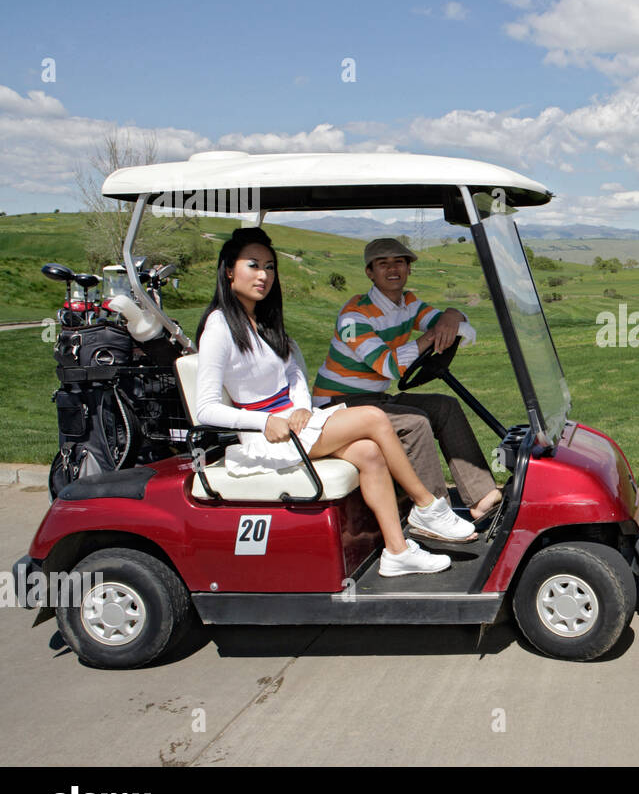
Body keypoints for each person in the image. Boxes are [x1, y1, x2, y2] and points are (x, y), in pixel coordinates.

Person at [194, 227, 466, 577]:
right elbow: (205, 409)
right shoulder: (219, 326)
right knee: (373, 418)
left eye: (270, 267)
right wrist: (264, 422)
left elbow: (293, 373)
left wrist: (303, 406)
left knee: (369, 451)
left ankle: (397, 552)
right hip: (267, 436)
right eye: (253, 265)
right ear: (229, 270)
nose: (263, 275)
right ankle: (428, 505)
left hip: (294, 422)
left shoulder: (263, 319)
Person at [311, 238, 502, 523]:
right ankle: (433, 511)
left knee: (445, 407)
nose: (392, 269)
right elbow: (387, 366)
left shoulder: (407, 303)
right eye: (383, 264)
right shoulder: (354, 317)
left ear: (408, 268)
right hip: (337, 407)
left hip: (373, 399)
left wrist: (452, 315)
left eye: (399, 262)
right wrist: (429, 337)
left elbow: (451, 322)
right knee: (414, 422)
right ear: (370, 272)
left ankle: (483, 498)